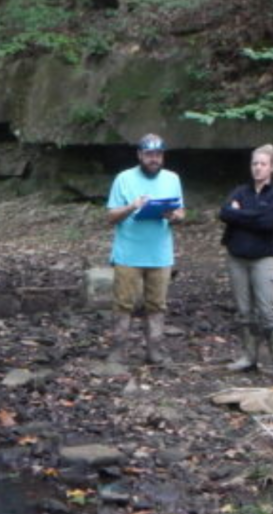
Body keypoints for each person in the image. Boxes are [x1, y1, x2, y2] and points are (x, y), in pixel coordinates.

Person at [106, 133, 185, 364]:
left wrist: (174, 216)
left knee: (157, 304)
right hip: (128, 253)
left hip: (160, 253)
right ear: (140, 155)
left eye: (158, 154)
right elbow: (111, 216)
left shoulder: (172, 178)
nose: (154, 159)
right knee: (123, 303)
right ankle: (119, 349)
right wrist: (132, 206)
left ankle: (155, 350)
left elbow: (181, 212)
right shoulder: (123, 178)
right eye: (149, 154)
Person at [218, 144, 273, 380]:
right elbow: (224, 213)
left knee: (267, 310)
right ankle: (249, 357)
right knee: (244, 310)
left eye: (263, 164)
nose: (258, 168)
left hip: (263, 258)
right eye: (254, 164)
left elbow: (268, 223)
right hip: (237, 257)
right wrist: (251, 215)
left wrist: (240, 215)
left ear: (272, 167)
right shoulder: (241, 191)